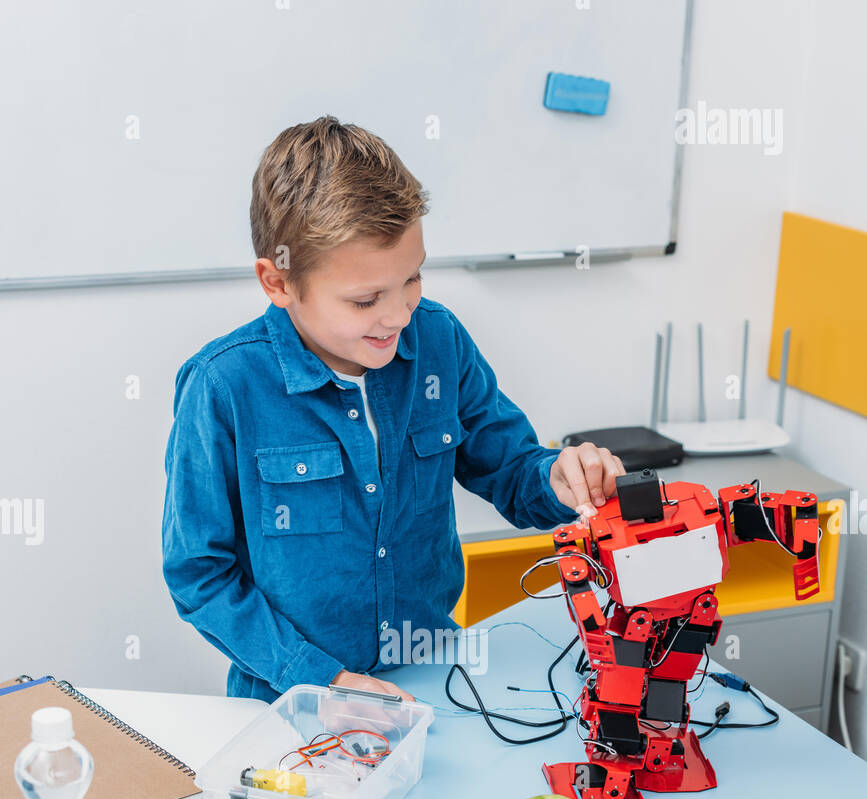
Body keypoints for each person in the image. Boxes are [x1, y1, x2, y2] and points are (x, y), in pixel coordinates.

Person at [163, 116, 624, 703]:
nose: (399, 314)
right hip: (294, 698)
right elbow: (200, 574)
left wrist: (559, 476)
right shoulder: (223, 386)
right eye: (364, 300)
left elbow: (510, 468)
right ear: (277, 283)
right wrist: (322, 680)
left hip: (435, 677)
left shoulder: (439, 340)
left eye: (412, 278)